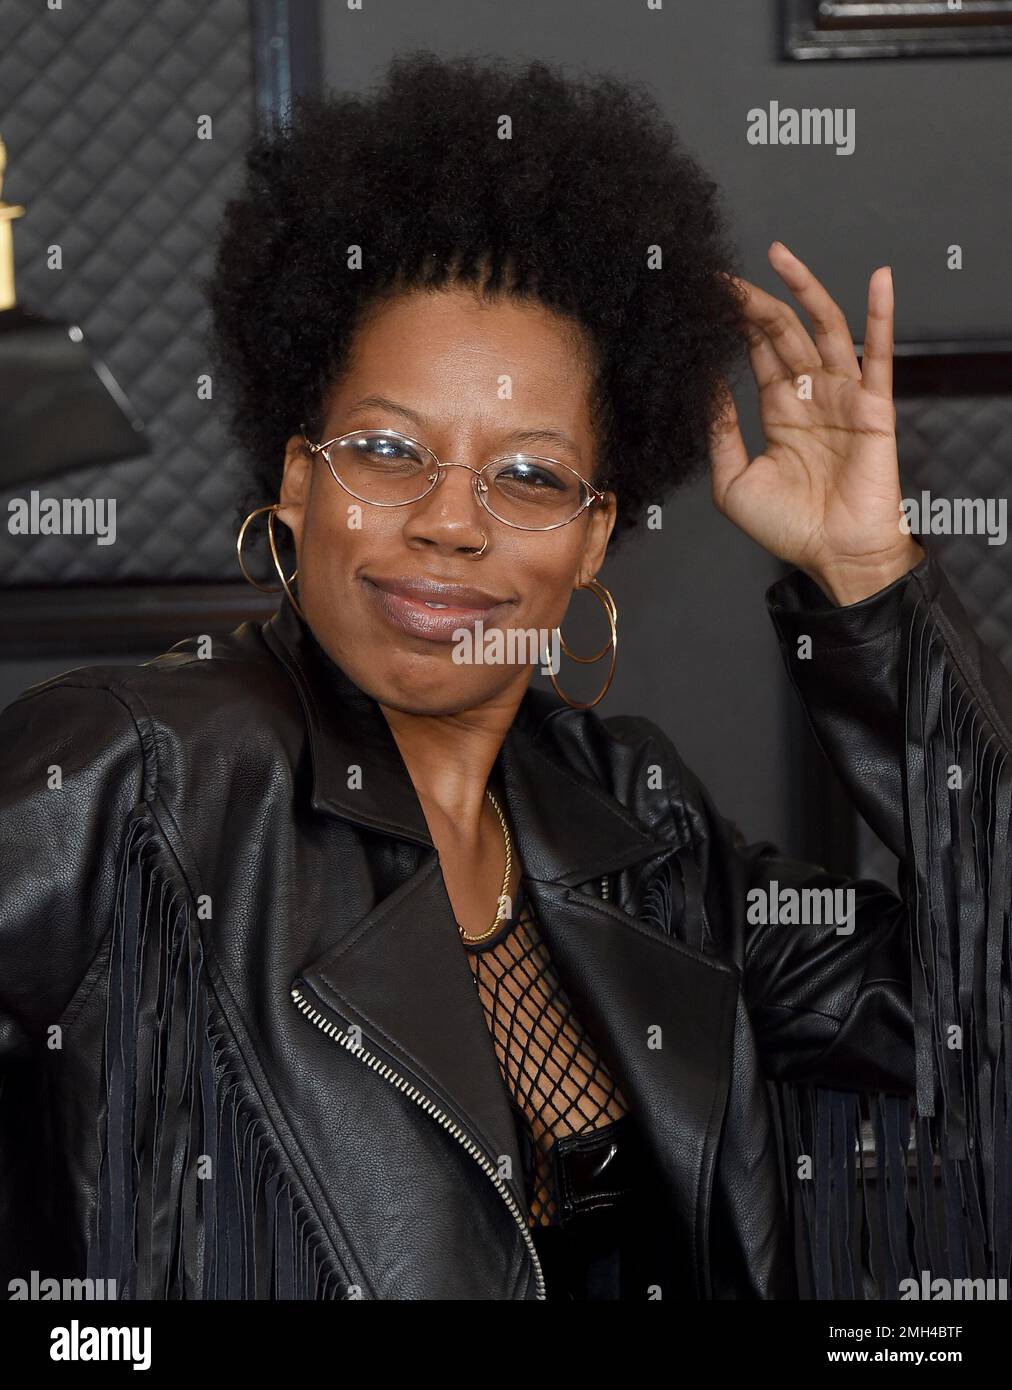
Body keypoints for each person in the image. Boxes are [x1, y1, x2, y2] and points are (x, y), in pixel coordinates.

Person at [1, 51, 1009, 1301]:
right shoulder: (124, 779)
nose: (451, 522)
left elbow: (982, 993)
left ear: (592, 534)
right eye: (386, 451)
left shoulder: (641, 826)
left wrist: (869, 576)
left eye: (529, 475)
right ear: (298, 482)